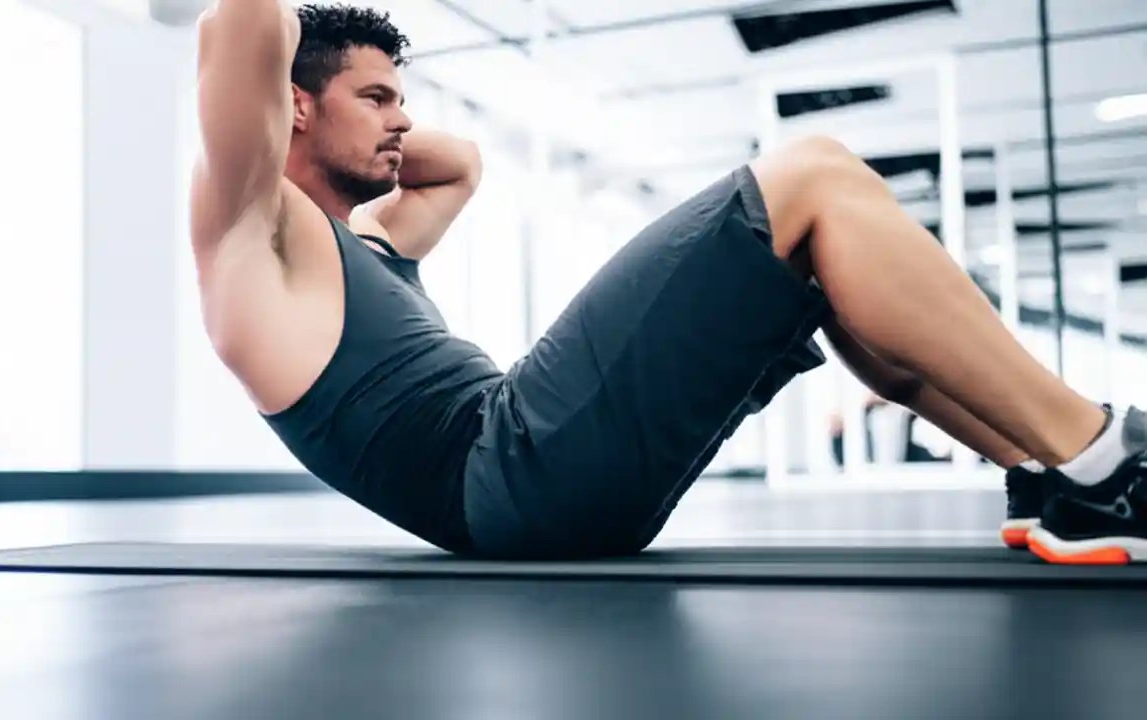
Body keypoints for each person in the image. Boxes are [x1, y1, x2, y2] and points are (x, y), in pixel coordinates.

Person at [189, 1, 1147, 563]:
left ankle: (1042, 471)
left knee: (818, 265)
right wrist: (306, 111)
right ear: (293, 109)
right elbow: (251, 27)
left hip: (534, 480)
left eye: (405, 100)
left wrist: (372, 126)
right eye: (378, 99)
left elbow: (463, 163)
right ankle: (1103, 461)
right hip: (513, 468)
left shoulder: (371, 246)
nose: (405, 121)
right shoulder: (253, 236)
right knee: (808, 175)